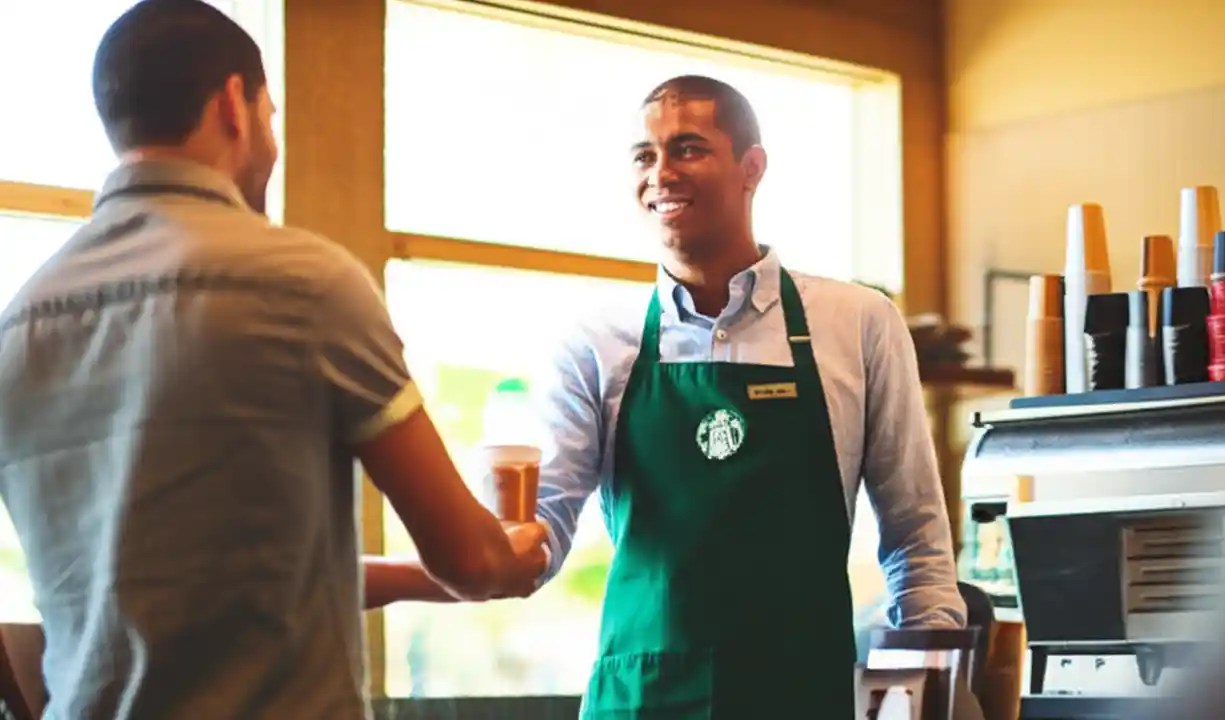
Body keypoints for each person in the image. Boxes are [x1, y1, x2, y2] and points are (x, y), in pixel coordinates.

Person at [0, 1, 546, 718]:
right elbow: (473, 561)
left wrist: (420, 577)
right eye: (272, 114)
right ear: (236, 104)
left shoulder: (20, 323)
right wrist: (520, 554)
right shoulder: (304, 284)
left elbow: (218, 583)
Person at [533, 75, 965, 717]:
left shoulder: (858, 322)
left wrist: (935, 691)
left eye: (687, 149)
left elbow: (915, 537)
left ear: (751, 167)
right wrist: (472, 553)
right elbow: (540, 527)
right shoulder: (599, 343)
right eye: (644, 156)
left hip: (801, 695)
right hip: (643, 700)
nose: (661, 174)